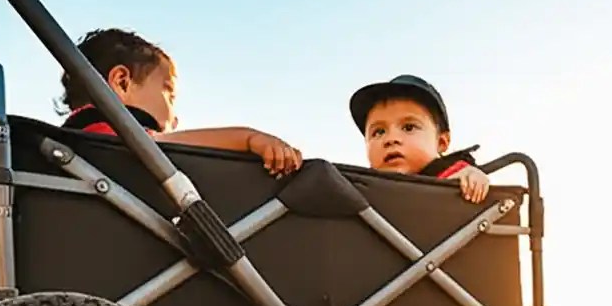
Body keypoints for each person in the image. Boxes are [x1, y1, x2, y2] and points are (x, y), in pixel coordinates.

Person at [59, 28, 302, 177]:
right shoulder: (100, 138)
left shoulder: (67, 145)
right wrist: (249, 138)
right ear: (122, 82)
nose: (175, 118)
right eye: (169, 93)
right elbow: (164, 145)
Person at [349, 74, 491, 202]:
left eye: (409, 128)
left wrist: (472, 179)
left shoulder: (455, 176)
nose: (391, 139)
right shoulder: (355, 192)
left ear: (441, 142)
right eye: (379, 132)